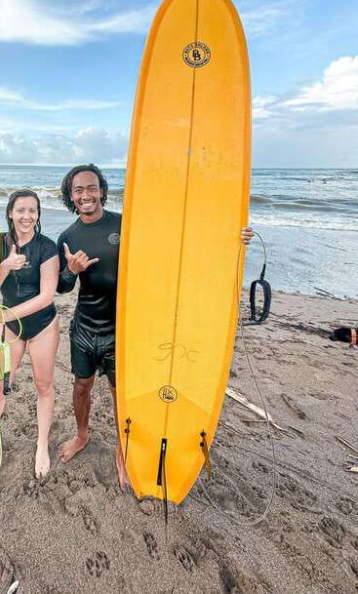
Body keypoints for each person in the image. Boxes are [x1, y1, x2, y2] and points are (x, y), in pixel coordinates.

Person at [56, 163, 254, 489]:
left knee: (120, 394)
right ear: (71, 196)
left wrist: (232, 235)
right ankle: (81, 435)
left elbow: (176, 240)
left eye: (91, 188)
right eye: (78, 190)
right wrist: (72, 271)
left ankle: (123, 448)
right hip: (84, 329)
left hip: (122, 331)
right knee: (81, 387)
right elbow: (62, 288)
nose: (85, 195)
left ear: (102, 191)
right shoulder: (68, 237)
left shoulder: (125, 225)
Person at [0, 189, 60, 480]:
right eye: (21, 210)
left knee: (43, 387)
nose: (27, 216)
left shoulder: (47, 247)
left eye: (33, 210)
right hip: (11, 329)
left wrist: (7, 315)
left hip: (42, 325)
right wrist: (5, 265)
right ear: (10, 213)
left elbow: (47, 296)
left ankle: (41, 446)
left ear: (38, 214)